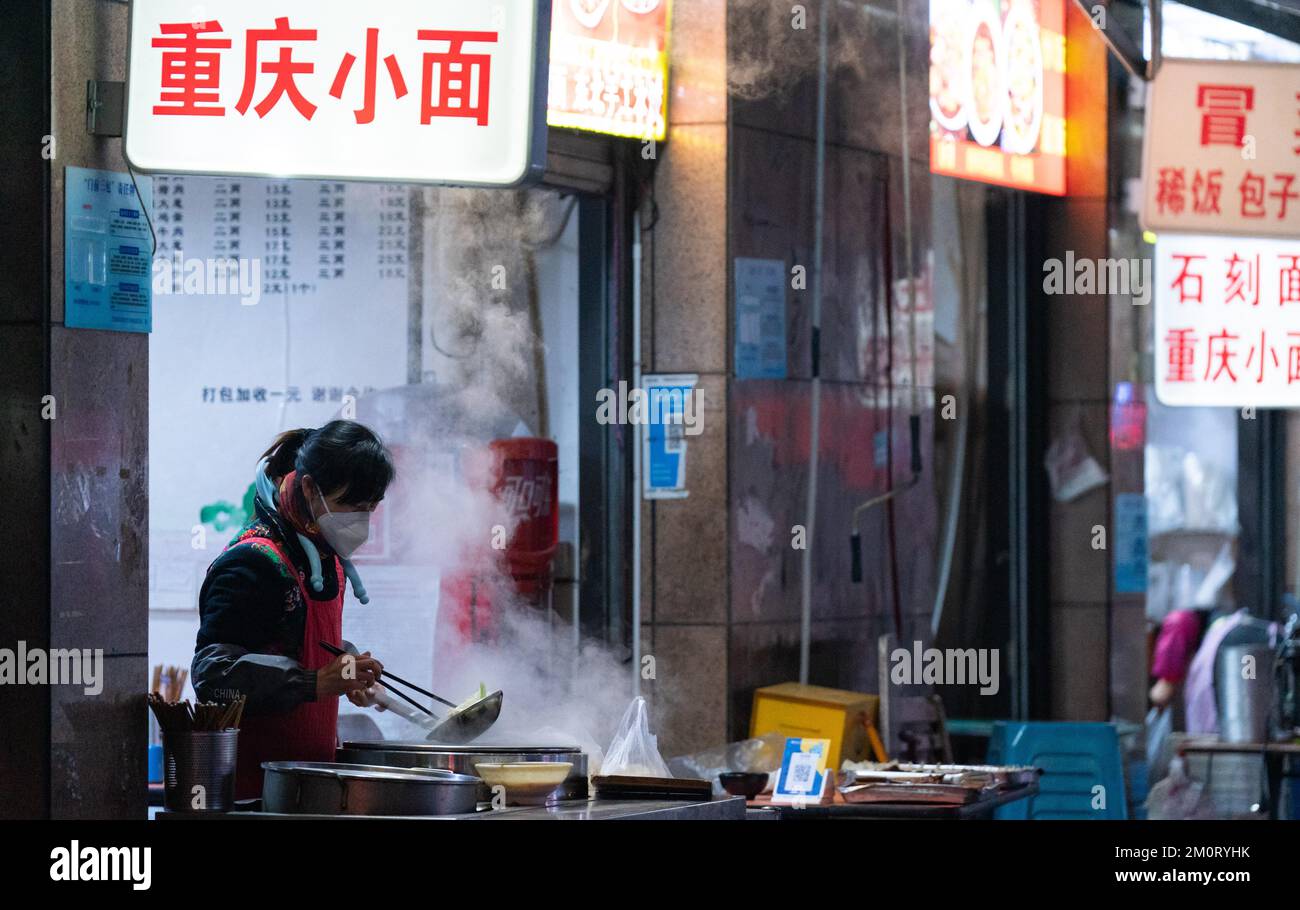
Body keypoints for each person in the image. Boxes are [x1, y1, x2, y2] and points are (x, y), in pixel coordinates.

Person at [191, 420, 395, 800]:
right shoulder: (251, 562)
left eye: (370, 508)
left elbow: (295, 638)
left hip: (309, 789)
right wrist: (315, 683)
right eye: (351, 505)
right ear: (309, 489)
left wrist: (348, 666)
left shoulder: (323, 550)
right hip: (253, 797)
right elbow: (212, 674)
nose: (360, 520)